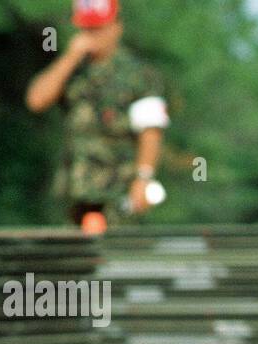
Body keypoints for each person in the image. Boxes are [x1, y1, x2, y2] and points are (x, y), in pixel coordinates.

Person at [25, 0, 169, 226]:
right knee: (72, 257)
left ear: (116, 27)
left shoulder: (138, 74)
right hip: (74, 190)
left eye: (98, 28)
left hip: (117, 190)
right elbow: (36, 100)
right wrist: (70, 58)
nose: (91, 35)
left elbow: (150, 131)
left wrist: (143, 178)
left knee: (114, 254)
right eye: (86, 28)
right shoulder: (73, 71)